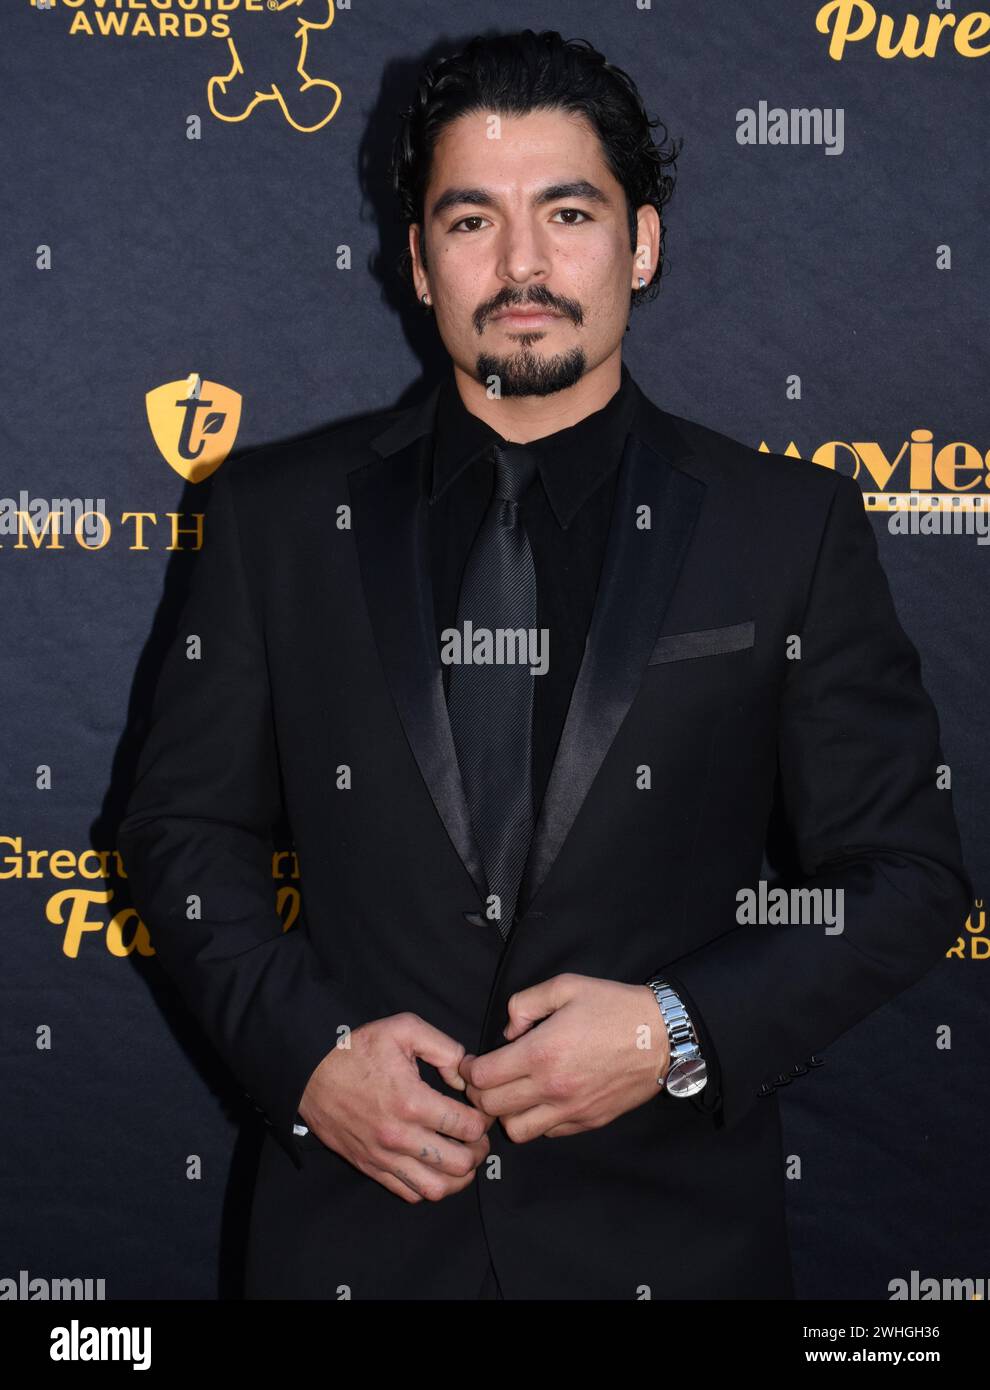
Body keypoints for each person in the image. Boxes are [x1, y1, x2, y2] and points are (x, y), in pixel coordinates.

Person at [117, 29, 971, 1300]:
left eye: (568, 212)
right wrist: (308, 1060)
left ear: (642, 243)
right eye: (472, 221)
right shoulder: (273, 519)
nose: (522, 265)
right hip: (352, 1242)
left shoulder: (786, 529)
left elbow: (906, 875)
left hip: (674, 1249)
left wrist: (672, 1029)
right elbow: (180, 830)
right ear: (417, 260)